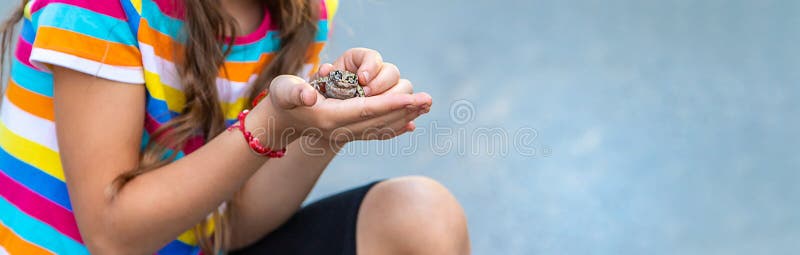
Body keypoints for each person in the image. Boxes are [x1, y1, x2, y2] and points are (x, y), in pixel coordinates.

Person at [0, 0, 470, 254]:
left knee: (419, 214)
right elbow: (112, 236)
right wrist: (266, 126)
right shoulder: (99, 7)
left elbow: (235, 227)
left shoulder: (300, 8)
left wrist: (322, 127)